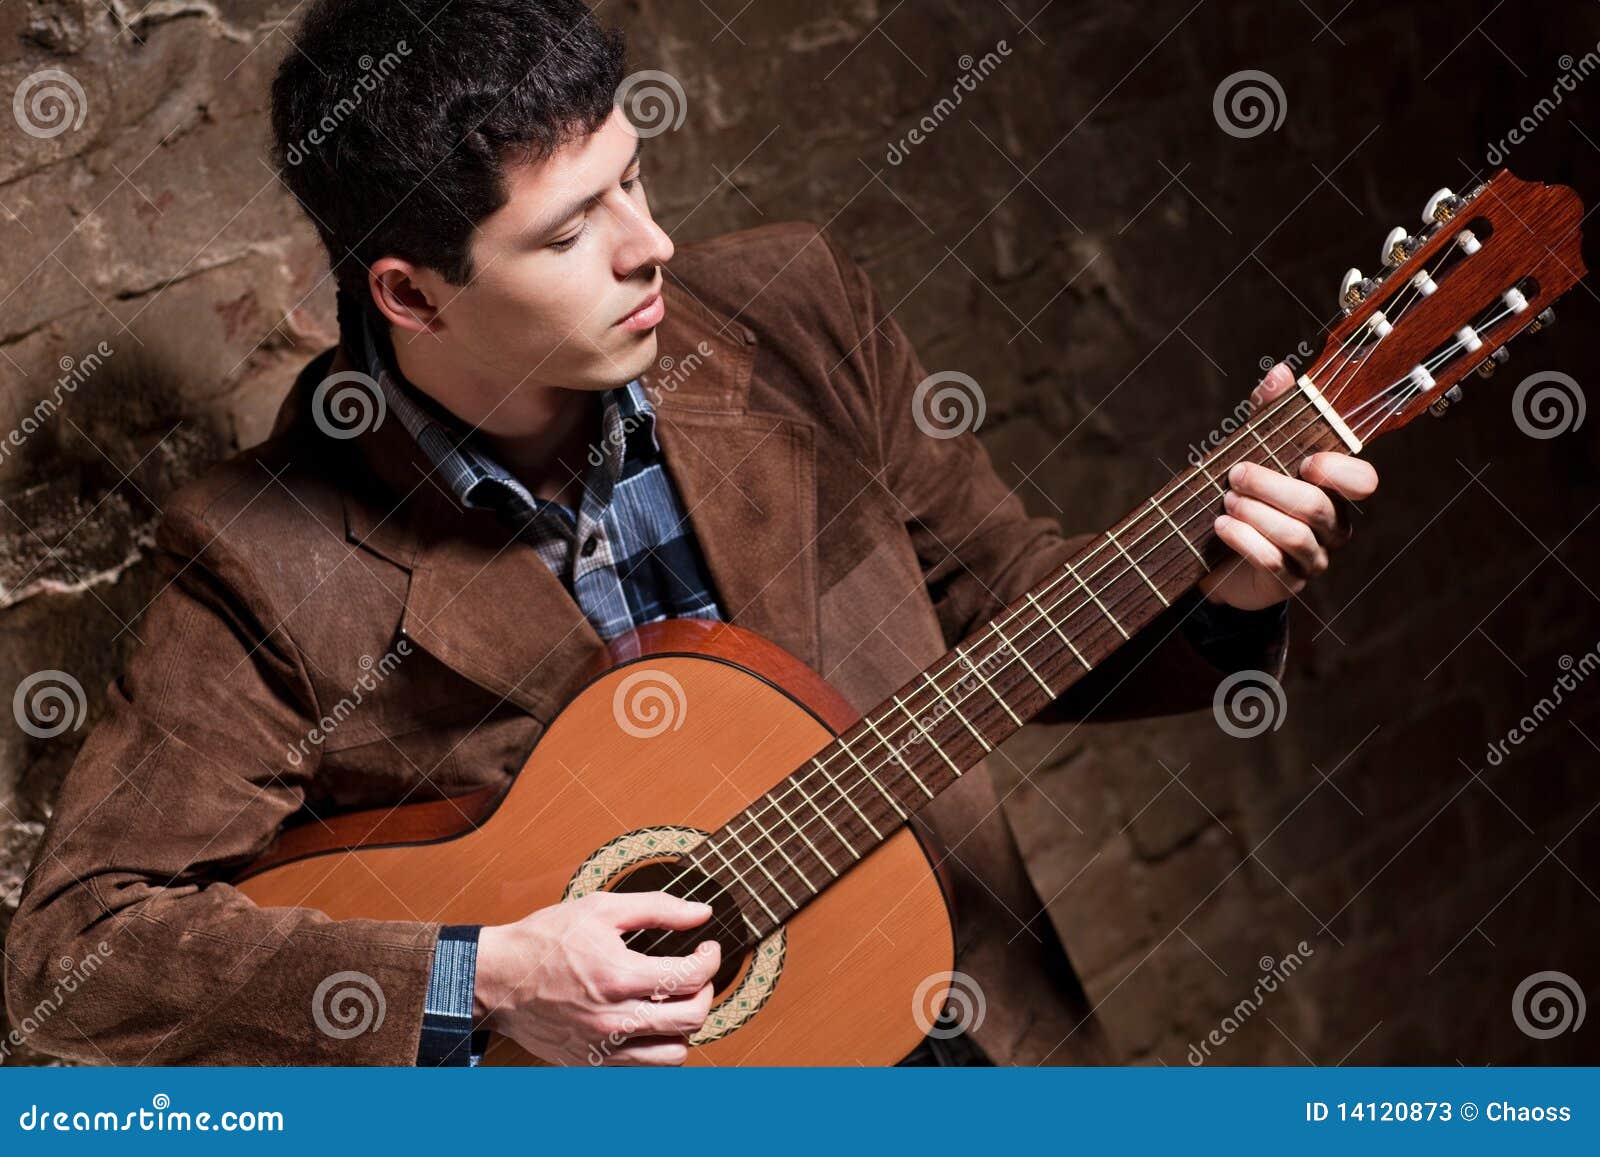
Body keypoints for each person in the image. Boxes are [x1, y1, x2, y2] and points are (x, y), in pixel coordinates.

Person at [4, 0, 1377, 1067]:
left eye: (634, 179)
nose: (648, 246)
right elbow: (75, 958)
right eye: (568, 233)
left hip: (973, 1037)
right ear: (412, 296)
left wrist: (1224, 587)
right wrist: (489, 974)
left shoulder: (797, 317)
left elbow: (1011, 616)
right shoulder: (268, 557)